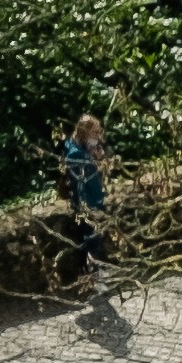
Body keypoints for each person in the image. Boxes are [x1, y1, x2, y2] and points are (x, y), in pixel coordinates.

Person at [55, 111, 111, 303]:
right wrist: (90, 208)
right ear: (85, 133)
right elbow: (80, 183)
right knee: (91, 241)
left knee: (91, 240)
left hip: (93, 200)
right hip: (88, 205)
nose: (98, 137)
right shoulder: (75, 155)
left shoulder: (81, 147)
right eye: (95, 133)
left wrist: (98, 155)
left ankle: (91, 277)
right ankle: (93, 278)